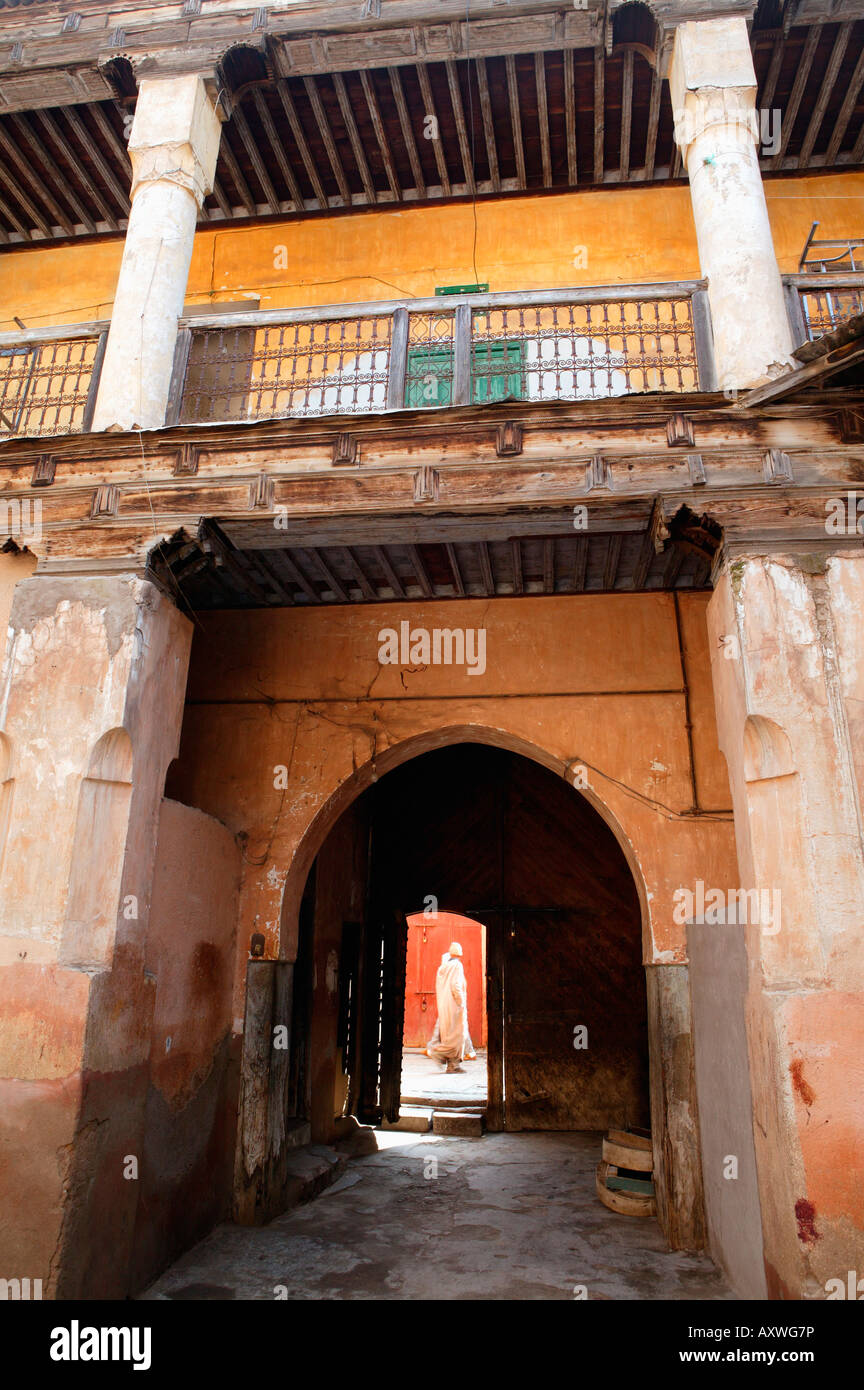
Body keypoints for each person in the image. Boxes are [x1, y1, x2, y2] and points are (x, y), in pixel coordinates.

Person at [426, 941, 468, 1073]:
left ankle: (452, 1065)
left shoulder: (442, 968)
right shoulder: (457, 966)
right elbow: (456, 985)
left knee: (449, 1034)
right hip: (455, 1006)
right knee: (458, 1035)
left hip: (444, 1006)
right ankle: (438, 1053)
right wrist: (461, 1003)